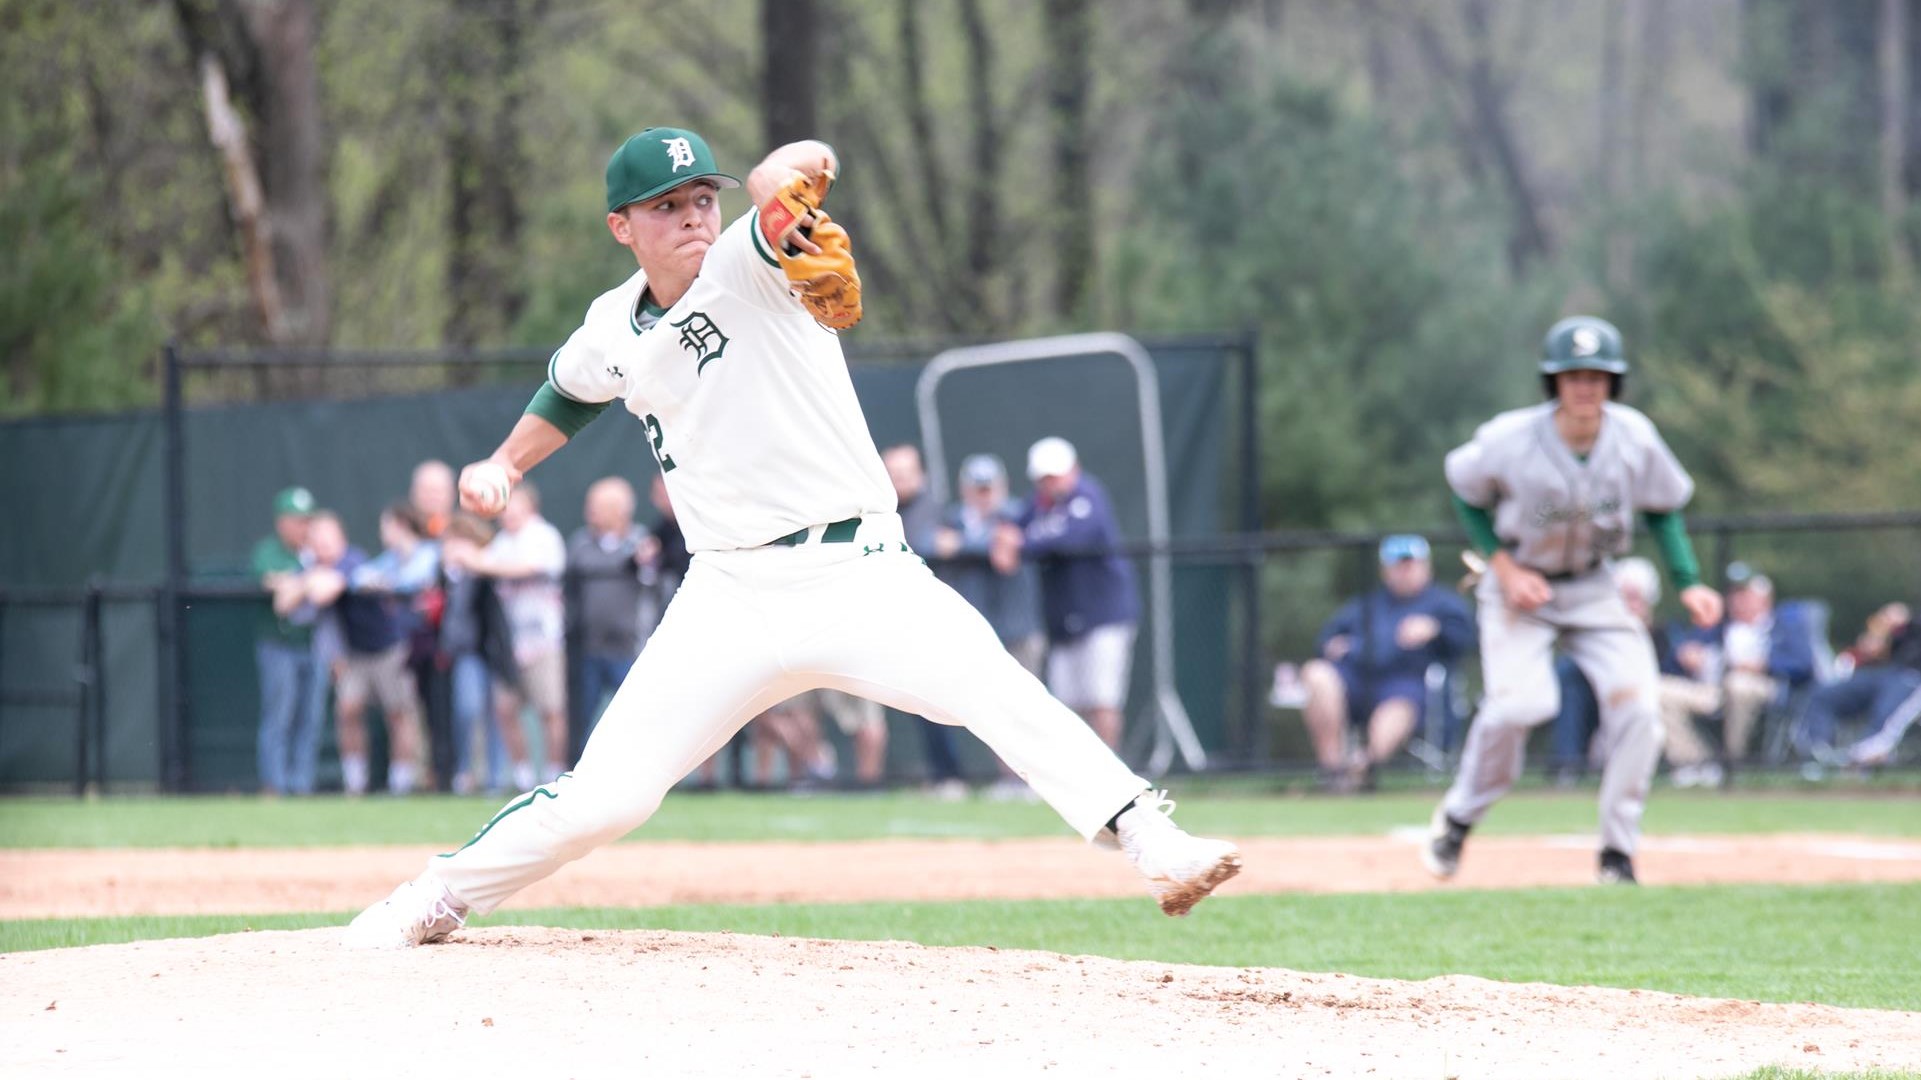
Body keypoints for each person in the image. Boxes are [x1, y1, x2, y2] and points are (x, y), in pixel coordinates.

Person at [345, 128, 1238, 948]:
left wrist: (790, 185)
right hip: (725, 595)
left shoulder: (749, 261)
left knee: (990, 683)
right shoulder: (613, 325)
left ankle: (1152, 840)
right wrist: (506, 462)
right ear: (622, 227)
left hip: (858, 571)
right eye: (668, 205)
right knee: (604, 799)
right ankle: (437, 897)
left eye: (703, 197)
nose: (694, 216)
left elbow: (792, 167)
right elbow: (572, 390)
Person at [1423, 316, 1722, 886]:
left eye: (1598, 375)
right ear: (1553, 383)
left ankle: (1617, 854)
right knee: (1519, 708)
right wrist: (1503, 567)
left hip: (1593, 586)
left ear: (1614, 383)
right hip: (1521, 586)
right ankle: (1459, 817)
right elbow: (1465, 491)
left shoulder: (1633, 436)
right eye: (1573, 375)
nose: (1585, 386)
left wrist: (1687, 580)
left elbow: (1663, 509)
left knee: (1639, 710)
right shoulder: (1511, 437)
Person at [1298, 534, 1474, 793]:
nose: (1404, 571)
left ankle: (1361, 768)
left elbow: (1467, 641)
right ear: (1385, 569)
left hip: (1408, 683)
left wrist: (1436, 630)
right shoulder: (1367, 604)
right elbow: (1326, 639)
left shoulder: (1443, 604)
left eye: (1410, 564)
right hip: (1356, 679)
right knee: (1316, 673)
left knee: (1399, 704)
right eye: (1398, 565)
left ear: (1426, 566)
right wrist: (1333, 645)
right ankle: (1332, 771)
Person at [996, 436, 1140, 751]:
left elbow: (1068, 539)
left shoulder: (1088, 497)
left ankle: (1111, 778)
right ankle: (1079, 777)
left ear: (1074, 470)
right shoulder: (1035, 506)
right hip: (1063, 624)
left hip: (1103, 617)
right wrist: (1007, 539)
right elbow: (1010, 528)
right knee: (1066, 707)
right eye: (1045, 478)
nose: (1053, 483)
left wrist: (1019, 544)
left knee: (1102, 700)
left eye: (1057, 475)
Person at [936, 453, 1049, 799]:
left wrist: (966, 546)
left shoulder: (1017, 513)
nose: (983, 495)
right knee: (992, 709)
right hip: (980, 629)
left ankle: (1034, 780)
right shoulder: (954, 517)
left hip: (1019, 626)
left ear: (1001, 487)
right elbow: (931, 544)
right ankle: (1008, 778)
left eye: (989, 488)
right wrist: (979, 544)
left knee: (1028, 708)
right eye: (977, 489)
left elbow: (1005, 552)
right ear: (965, 489)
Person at [305, 509, 430, 795]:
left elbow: (323, 591)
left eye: (328, 538)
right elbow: (286, 601)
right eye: (317, 539)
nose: (323, 545)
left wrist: (308, 582)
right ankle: (355, 781)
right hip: (354, 654)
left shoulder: (354, 560)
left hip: (389, 649)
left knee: (399, 715)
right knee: (347, 711)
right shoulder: (314, 566)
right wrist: (304, 581)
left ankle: (401, 782)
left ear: (341, 538)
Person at [466, 482, 570, 790]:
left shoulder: (543, 536)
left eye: (514, 506)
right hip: (509, 645)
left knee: (550, 710)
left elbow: (527, 567)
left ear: (530, 507)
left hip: (544, 641)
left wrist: (479, 561)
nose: (508, 513)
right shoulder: (500, 542)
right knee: (506, 710)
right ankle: (524, 777)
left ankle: (554, 775)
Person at [566, 476, 653, 761]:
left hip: (629, 650)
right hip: (589, 649)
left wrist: (641, 562)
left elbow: (654, 584)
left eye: (598, 506)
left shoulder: (641, 543)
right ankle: (576, 774)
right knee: (582, 720)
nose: (590, 512)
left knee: (638, 717)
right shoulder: (580, 544)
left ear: (621, 510)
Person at [436, 514, 521, 794]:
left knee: (495, 713)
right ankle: (464, 771)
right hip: (464, 652)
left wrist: (472, 562)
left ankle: (494, 778)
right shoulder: (448, 574)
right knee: (467, 708)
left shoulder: (488, 565)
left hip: (493, 651)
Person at [252, 486, 325, 796]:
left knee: (310, 719)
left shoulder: (316, 550)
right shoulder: (269, 551)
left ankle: (302, 785)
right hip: (278, 645)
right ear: (282, 521)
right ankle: (275, 784)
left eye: (308, 520)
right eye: (298, 520)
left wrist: (298, 583)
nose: (304, 527)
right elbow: (274, 588)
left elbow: (334, 577)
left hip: (314, 644)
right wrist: (306, 581)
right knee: (279, 716)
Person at [1797, 602, 1921, 768]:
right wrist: (1883, 637)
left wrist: (1908, 620)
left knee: (1890, 707)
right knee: (1823, 696)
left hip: (1912, 677)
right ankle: (1819, 753)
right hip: (1885, 672)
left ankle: (1859, 759)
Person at [407, 460, 457, 790]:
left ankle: (466, 776)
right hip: (415, 644)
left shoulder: (465, 529)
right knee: (414, 712)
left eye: (437, 490)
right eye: (425, 490)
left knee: (464, 709)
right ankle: (422, 778)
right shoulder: (403, 535)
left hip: (460, 641)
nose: (431, 497)